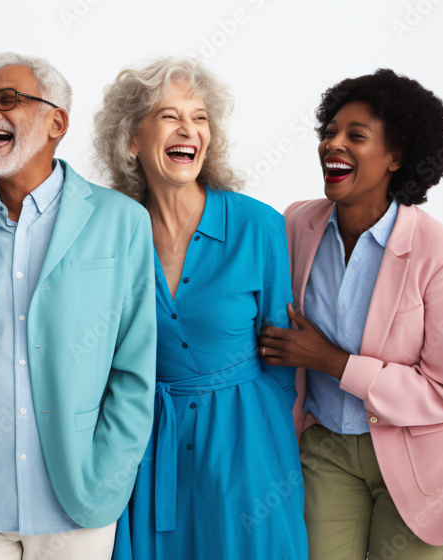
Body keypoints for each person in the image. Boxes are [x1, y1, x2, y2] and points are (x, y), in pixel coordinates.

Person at [0, 52, 157, 560]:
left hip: (76, 502)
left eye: (8, 100)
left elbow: (135, 364)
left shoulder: (121, 220)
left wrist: (109, 470)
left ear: (56, 122)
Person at [259, 68, 443, 559]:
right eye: (329, 132)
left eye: (356, 135)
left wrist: (335, 362)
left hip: (425, 459)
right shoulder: (296, 224)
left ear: (397, 156)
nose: (333, 144)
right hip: (325, 449)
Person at [94, 57, 307, 558]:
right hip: (147, 442)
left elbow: (284, 358)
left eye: (200, 117)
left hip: (247, 442)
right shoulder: (110, 235)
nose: (188, 128)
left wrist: (264, 445)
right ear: (132, 139)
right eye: (169, 116)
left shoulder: (257, 225)